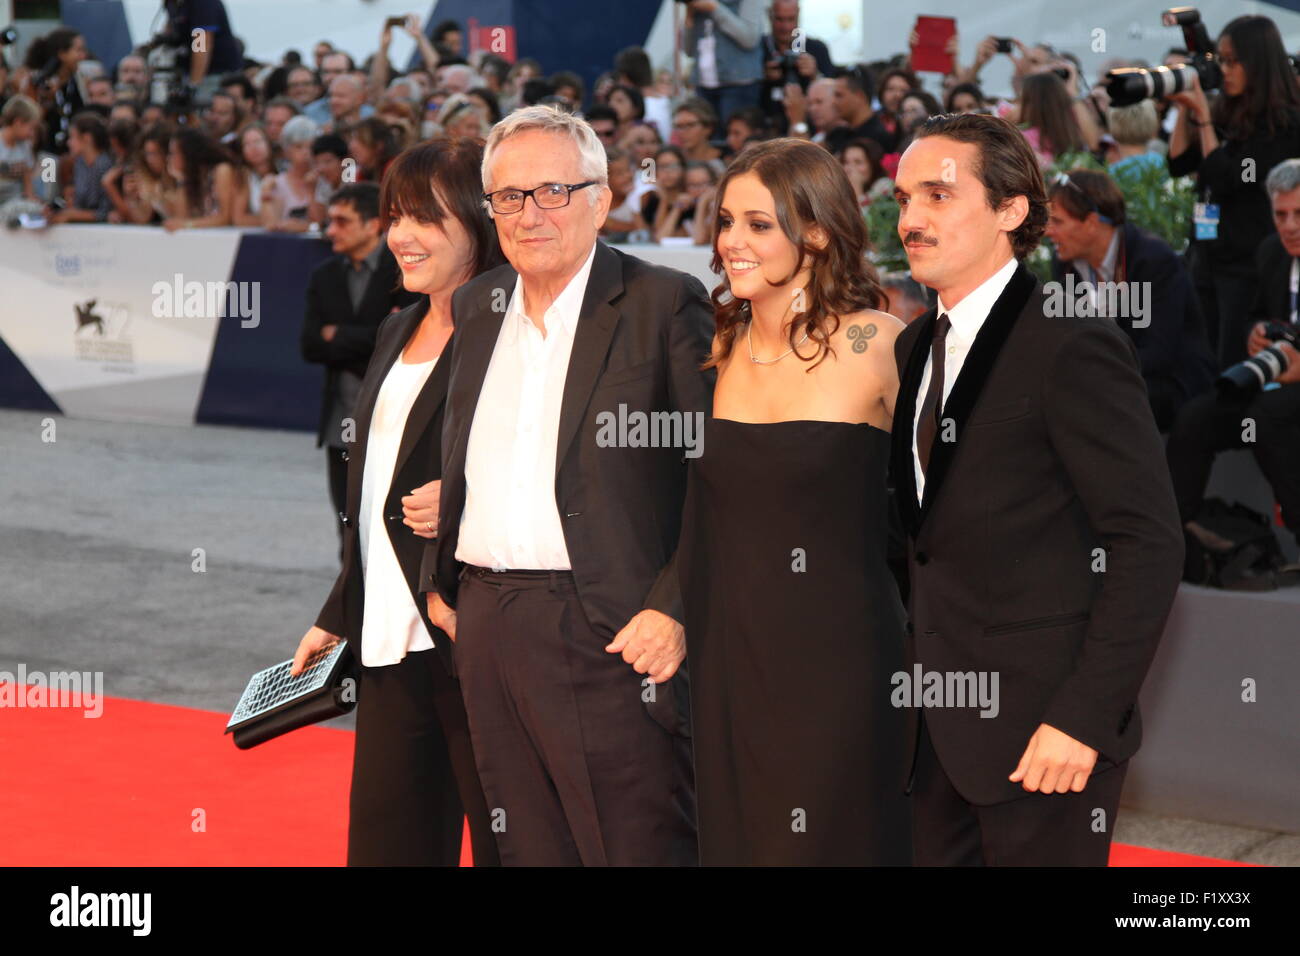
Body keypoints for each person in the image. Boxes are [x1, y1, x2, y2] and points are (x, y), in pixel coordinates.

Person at [421, 105, 713, 866]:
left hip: (609, 630)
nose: (530, 213)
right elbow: (462, 448)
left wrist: (673, 606)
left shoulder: (662, 302)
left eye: (554, 190)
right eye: (510, 197)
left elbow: (717, 475)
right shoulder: (479, 304)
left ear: (601, 198)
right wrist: (440, 585)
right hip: (485, 624)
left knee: (633, 844)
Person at [890, 112, 1184, 866]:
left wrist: (1083, 718)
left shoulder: (1071, 340)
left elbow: (1146, 542)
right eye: (902, 199)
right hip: (932, 740)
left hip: (1044, 736)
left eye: (938, 196)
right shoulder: (916, 343)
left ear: (1012, 210)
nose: (911, 219)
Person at [677, 137, 908, 865]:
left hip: (843, 661)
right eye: (725, 222)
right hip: (728, 658)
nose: (732, 242)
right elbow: (702, 515)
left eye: (757, 224)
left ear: (815, 231)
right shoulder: (721, 349)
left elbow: (947, 507)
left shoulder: (880, 344)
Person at [291, 140, 503, 866]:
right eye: (394, 217)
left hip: (478, 636)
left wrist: (470, 497)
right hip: (388, 640)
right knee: (389, 844)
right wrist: (338, 608)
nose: (401, 236)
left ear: (479, 221)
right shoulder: (394, 328)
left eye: (425, 218)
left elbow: (567, 469)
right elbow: (375, 493)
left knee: (518, 843)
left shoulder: (514, 333)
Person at [1165, 158, 1300, 553]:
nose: (1289, 225)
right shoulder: (1272, 252)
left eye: (1298, 214)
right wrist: (1255, 333)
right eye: (1280, 214)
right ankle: (1173, 539)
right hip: (1273, 379)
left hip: (1286, 395)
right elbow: (1258, 312)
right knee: (1197, 415)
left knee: (1267, 416)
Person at [1167, 14, 1300, 368]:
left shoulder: (1284, 123)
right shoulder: (1228, 110)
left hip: (1246, 263)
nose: (1224, 70)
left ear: (1257, 62)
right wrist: (1186, 107)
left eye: (1232, 61)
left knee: (1229, 360)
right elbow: (1179, 163)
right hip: (1207, 255)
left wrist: (1204, 118)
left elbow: (1228, 178)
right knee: (1198, 357)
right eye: (1220, 60)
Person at [1046, 169, 1215, 430]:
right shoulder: (1067, 266)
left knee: (1097, 403)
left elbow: (1158, 352)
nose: (1048, 231)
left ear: (1091, 223)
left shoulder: (1150, 260)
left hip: (1171, 380)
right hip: (1113, 373)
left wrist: (1093, 373)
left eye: (1057, 222)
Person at [300, 182, 420, 551]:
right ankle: (353, 608)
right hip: (342, 426)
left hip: (396, 421)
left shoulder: (405, 270)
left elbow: (406, 340)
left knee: (396, 530)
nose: (330, 230)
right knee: (349, 531)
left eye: (342, 221)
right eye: (330, 221)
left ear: (372, 225)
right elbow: (310, 345)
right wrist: (377, 333)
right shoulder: (324, 276)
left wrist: (339, 335)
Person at [759, 0, 835, 135]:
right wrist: (762, 75)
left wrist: (815, 76)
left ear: (798, 15)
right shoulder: (759, 49)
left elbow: (834, 96)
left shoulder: (816, 49)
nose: (786, 26)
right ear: (769, 16)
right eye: (779, 19)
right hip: (767, 128)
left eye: (790, 19)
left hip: (810, 130)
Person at [684, 0, 764, 124]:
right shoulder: (697, 6)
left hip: (738, 85)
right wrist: (689, 16)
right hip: (703, 85)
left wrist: (715, 8)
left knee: (735, 140)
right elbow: (688, 50)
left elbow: (750, 38)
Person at [48, 112, 113, 223]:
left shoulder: (105, 165)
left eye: (72, 137)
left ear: (87, 138)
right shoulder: (80, 163)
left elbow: (108, 213)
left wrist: (70, 215)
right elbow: (78, 205)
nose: (69, 143)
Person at [826, 65, 895, 155]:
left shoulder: (880, 139)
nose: (833, 102)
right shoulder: (837, 135)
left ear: (860, 96)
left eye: (839, 95)